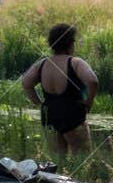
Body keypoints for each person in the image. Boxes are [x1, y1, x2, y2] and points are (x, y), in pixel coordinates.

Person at [21, 23, 98, 155]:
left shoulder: (42, 64)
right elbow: (92, 81)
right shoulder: (75, 62)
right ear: (70, 43)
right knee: (83, 158)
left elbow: (26, 84)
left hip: (50, 115)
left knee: (58, 160)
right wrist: (89, 102)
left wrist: (39, 104)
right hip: (72, 114)